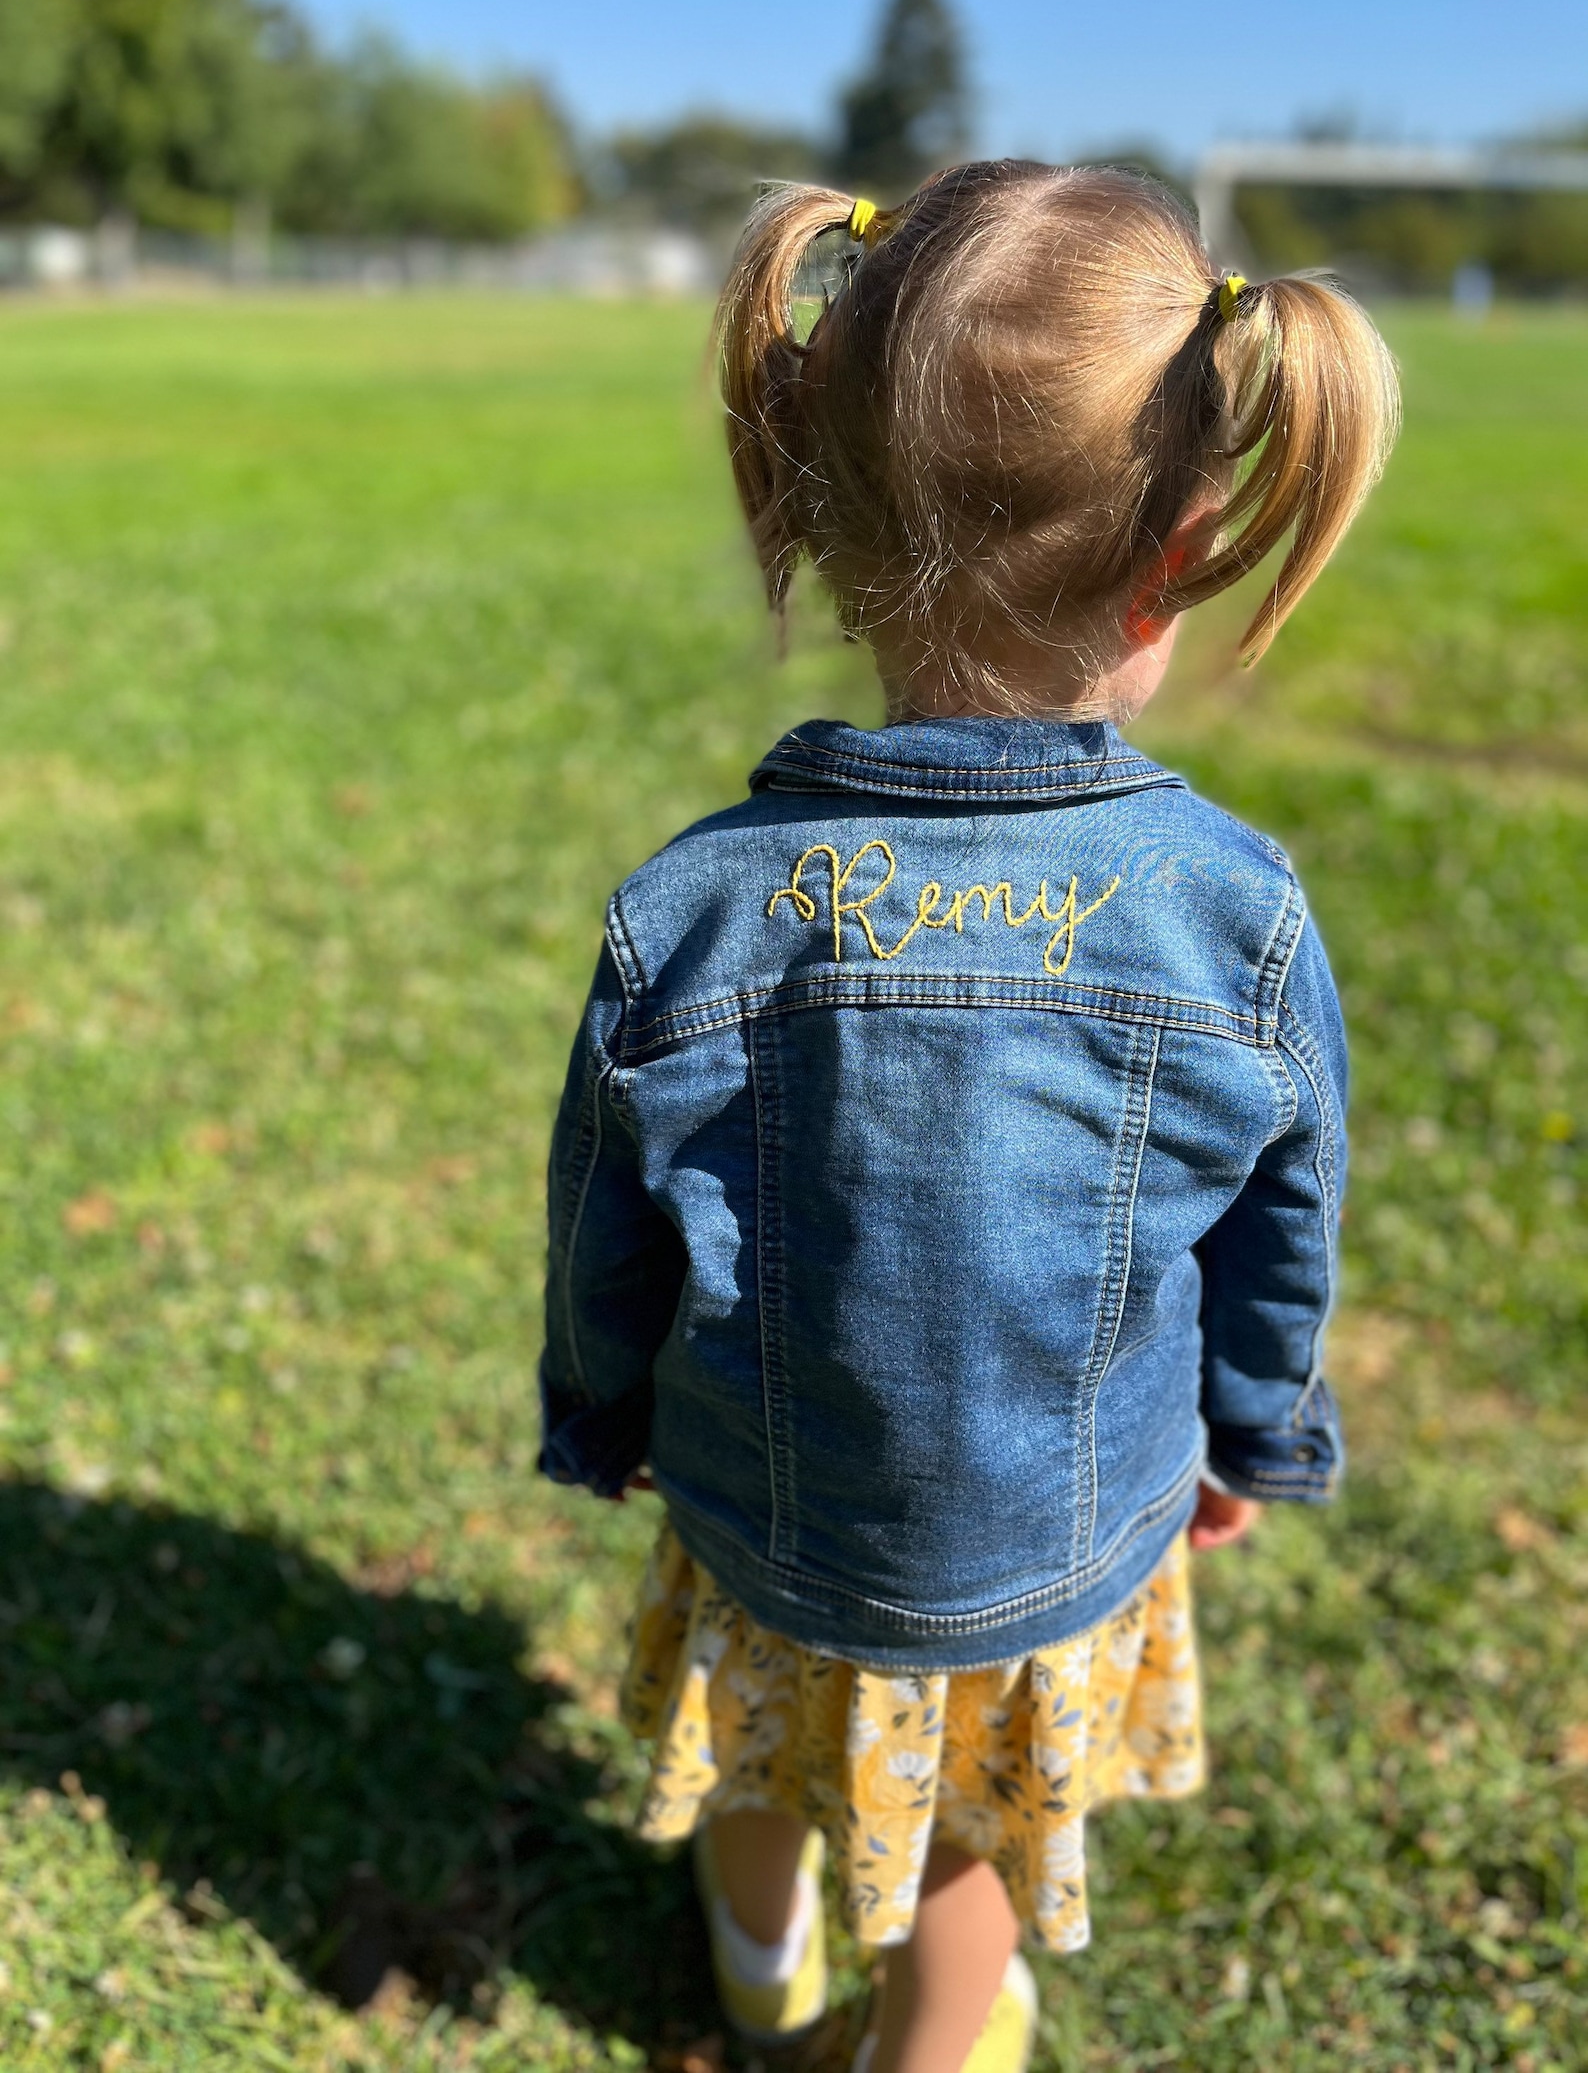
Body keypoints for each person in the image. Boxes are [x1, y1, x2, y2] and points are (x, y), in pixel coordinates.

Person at [538, 161, 1399, 2073]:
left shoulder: (696, 899)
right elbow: (1286, 1224)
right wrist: (1253, 1428)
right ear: (1181, 552)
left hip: (757, 1495)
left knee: (762, 1748)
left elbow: (603, 1217)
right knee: (968, 1836)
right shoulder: (1231, 910)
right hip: (1060, 1530)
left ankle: (759, 1985)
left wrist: (599, 1408)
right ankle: (942, 2047)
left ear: (817, 499)